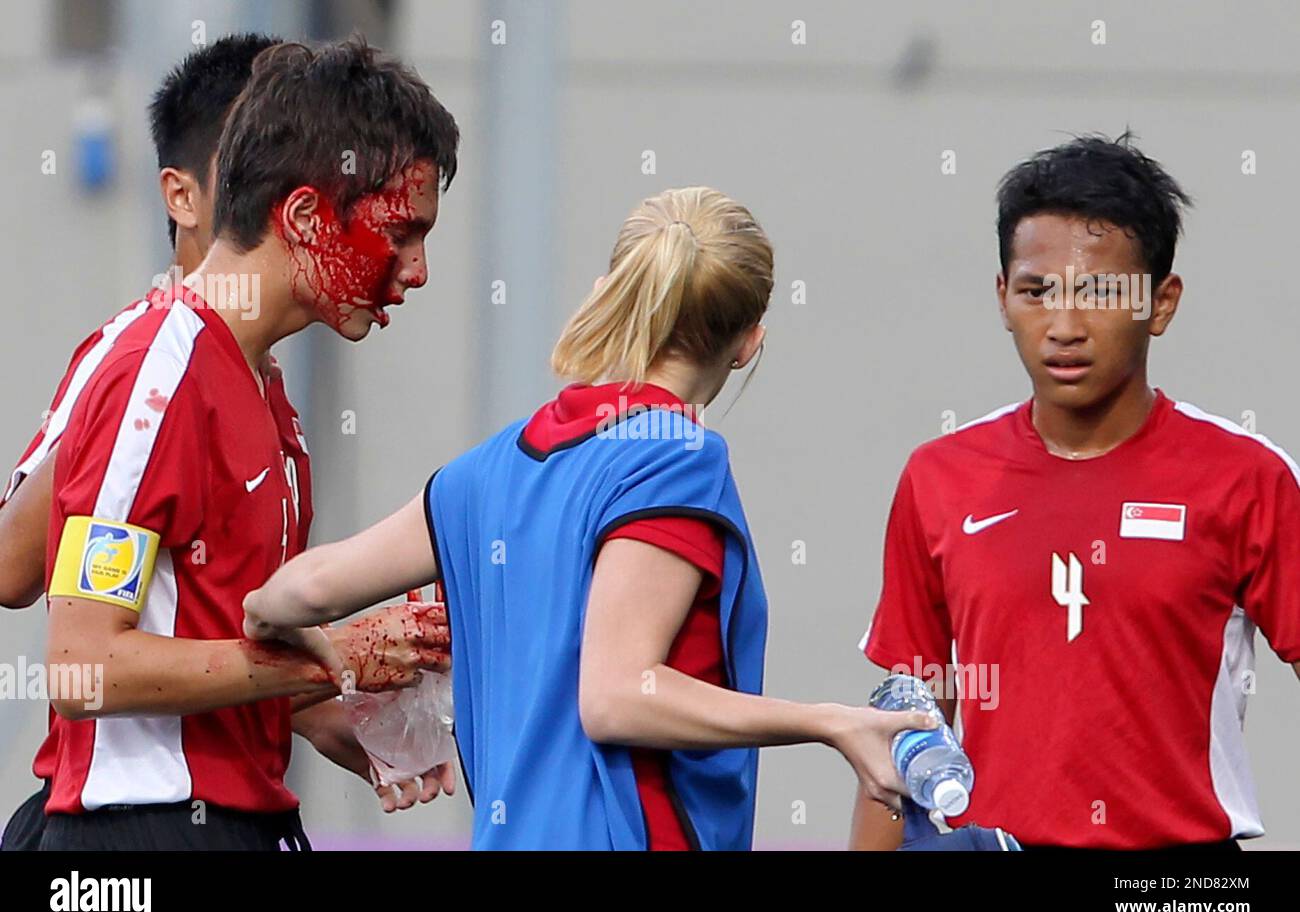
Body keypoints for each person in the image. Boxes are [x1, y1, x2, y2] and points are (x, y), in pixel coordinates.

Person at [244, 185, 935, 850]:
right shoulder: (676, 459)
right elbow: (615, 695)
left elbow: (306, 587)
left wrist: (273, 620)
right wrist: (828, 722)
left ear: (610, 293)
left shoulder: (492, 466)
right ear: (750, 340)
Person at [31, 38, 460, 851]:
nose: (419, 268)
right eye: (402, 231)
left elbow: (214, 651)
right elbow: (81, 668)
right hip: (139, 837)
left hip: (242, 825)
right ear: (302, 215)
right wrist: (329, 657)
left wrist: (368, 705)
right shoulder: (157, 371)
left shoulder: (270, 396)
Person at [851, 133, 1300, 850]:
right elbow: (906, 726)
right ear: (1003, 299)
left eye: (1099, 292)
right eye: (1036, 291)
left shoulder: (1248, 478)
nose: (1063, 326)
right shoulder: (939, 477)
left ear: (1161, 301)